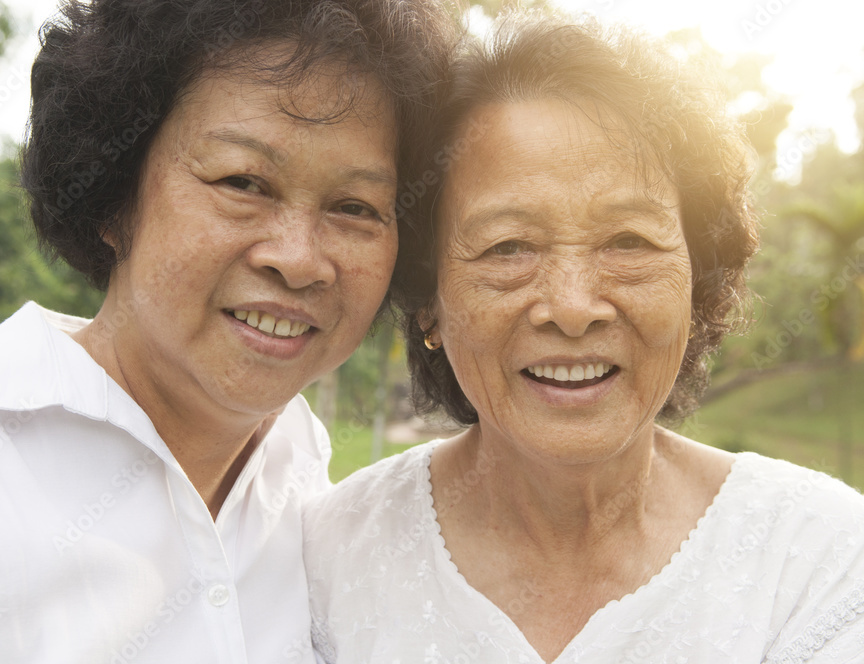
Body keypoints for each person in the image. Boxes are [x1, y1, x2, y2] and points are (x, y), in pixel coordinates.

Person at [0, 0, 454, 661]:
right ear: (114, 197)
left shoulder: (307, 472)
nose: (298, 259)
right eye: (243, 181)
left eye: (355, 207)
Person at [304, 12, 864, 664]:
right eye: (508, 247)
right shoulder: (325, 563)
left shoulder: (817, 561)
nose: (572, 309)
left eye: (629, 241)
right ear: (429, 299)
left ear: (697, 279)